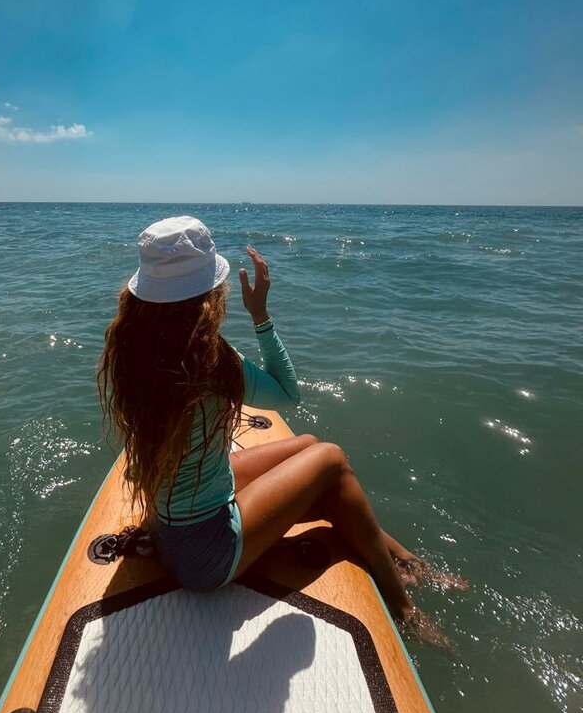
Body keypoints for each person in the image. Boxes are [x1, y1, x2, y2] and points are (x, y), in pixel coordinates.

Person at [98, 216, 460, 645]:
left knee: (307, 446)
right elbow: (288, 394)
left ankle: (403, 559)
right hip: (204, 556)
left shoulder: (129, 348)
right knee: (330, 459)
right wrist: (260, 315)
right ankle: (403, 604)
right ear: (208, 295)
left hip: (171, 525)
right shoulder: (212, 361)